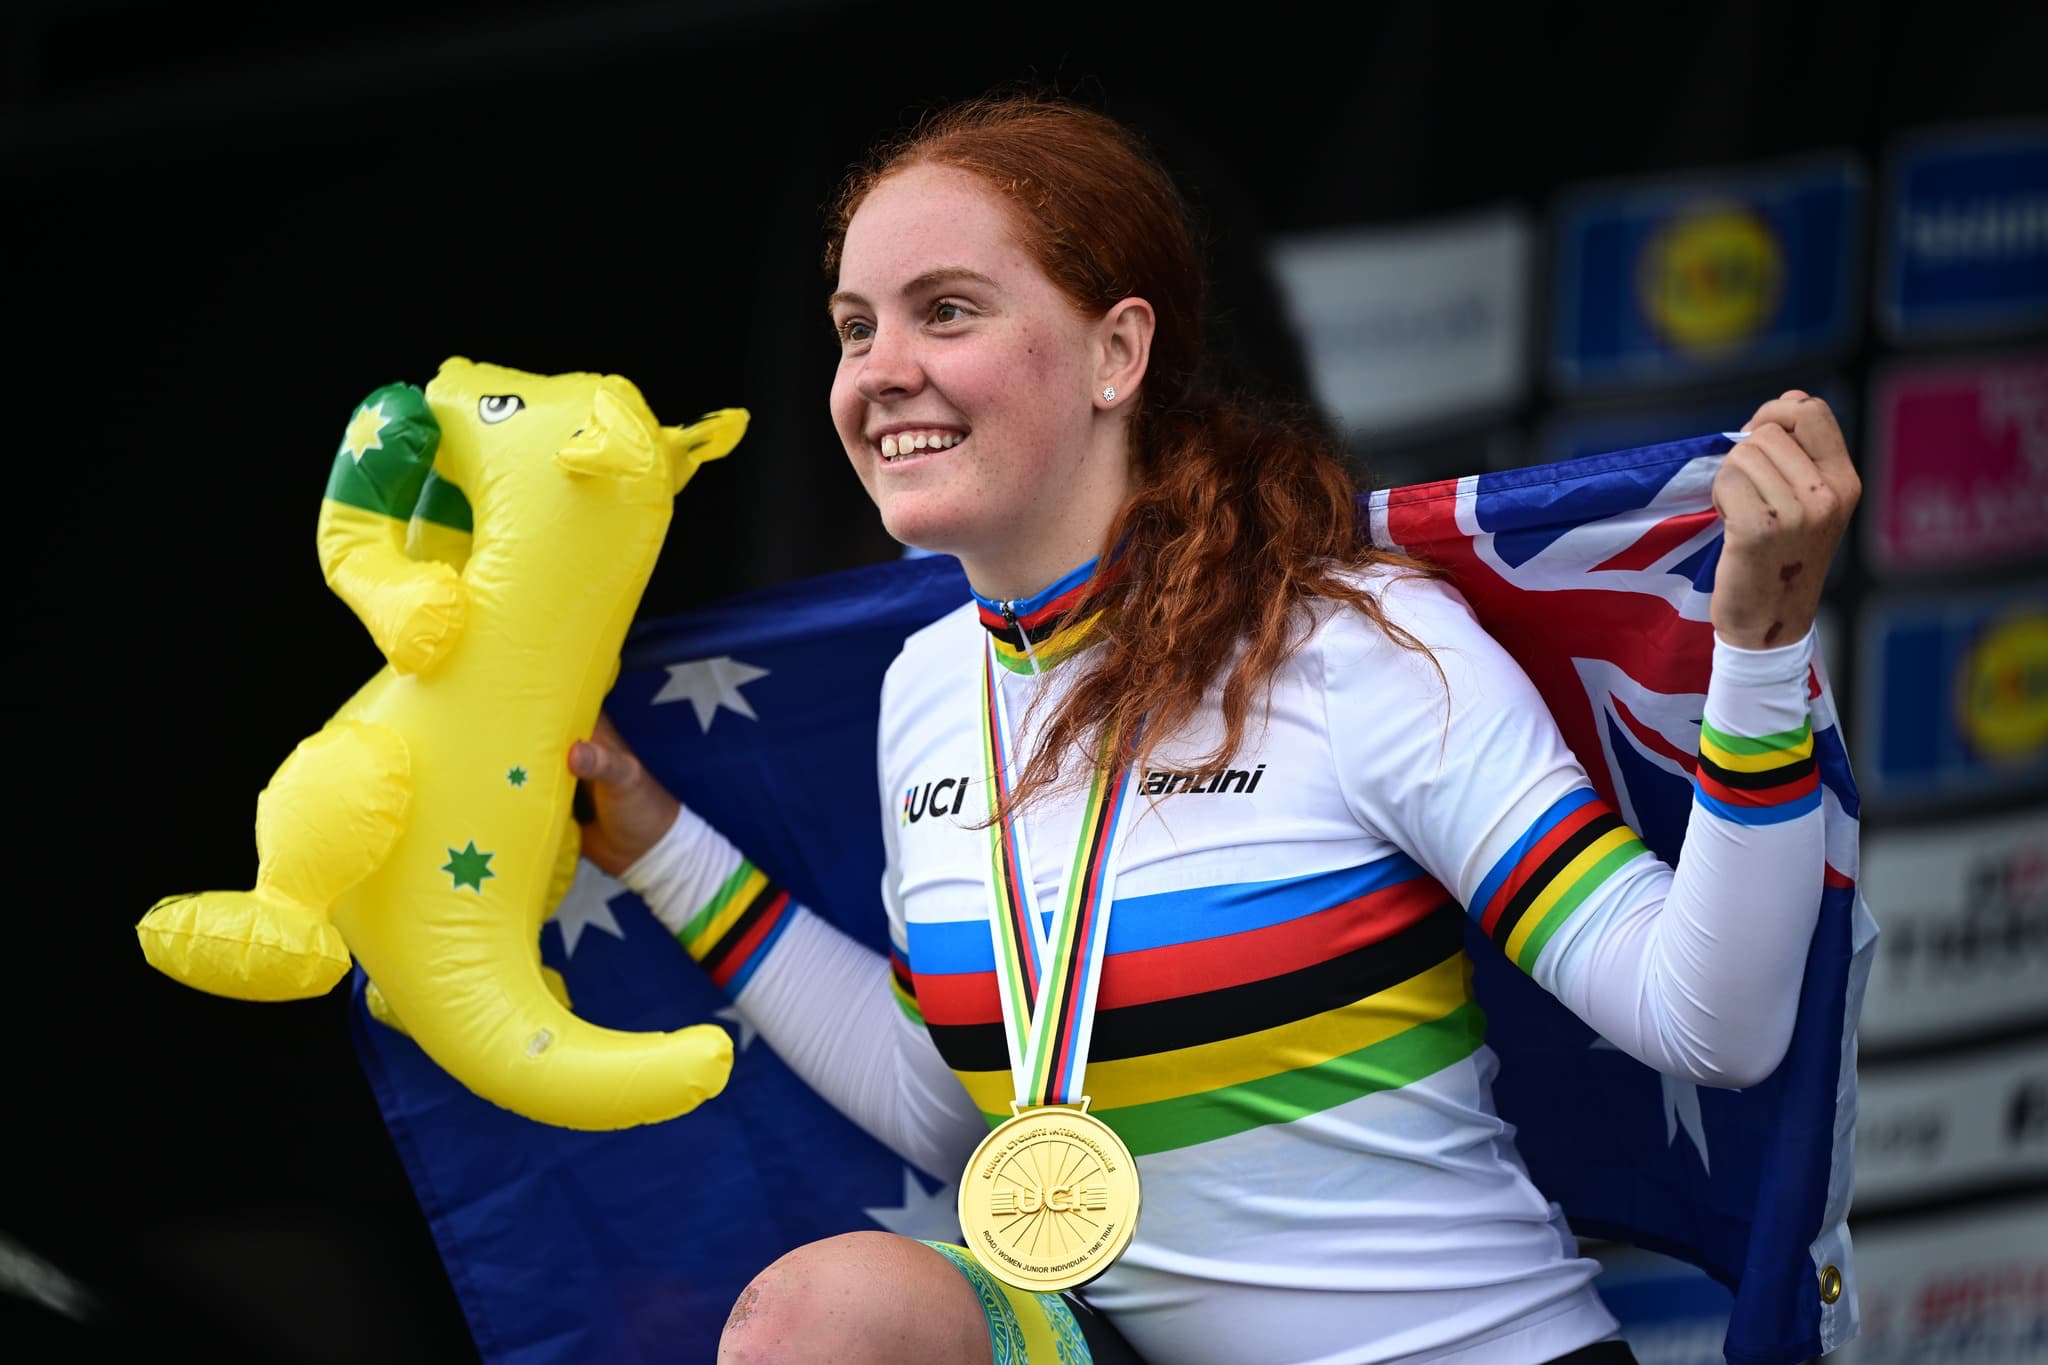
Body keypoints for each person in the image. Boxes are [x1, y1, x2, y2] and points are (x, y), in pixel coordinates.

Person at [567, 93, 1860, 1365]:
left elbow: (1712, 1020)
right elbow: (944, 1105)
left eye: (945, 310)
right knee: (812, 1327)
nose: (879, 371)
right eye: (856, 327)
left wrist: (1756, 656)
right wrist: (657, 843)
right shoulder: (925, 692)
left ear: (1117, 354)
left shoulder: (1351, 646)